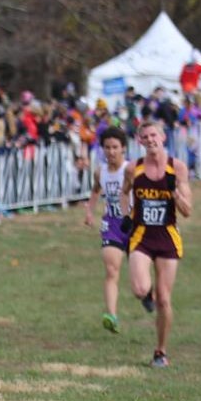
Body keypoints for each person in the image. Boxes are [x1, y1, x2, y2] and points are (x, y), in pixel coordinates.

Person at [120, 120, 192, 368]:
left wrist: (175, 194)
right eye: (145, 137)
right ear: (139, 141)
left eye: (154, 135)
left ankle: (160, 351)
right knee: (140, 289)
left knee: (164, 299)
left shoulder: (178, 168)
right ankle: (146, 293)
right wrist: (126, 214)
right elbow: (124, 191)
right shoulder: (133, 168)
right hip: (141, 236)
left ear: (163, 137)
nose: (150, 140)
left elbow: (187, 211)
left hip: (168, 237)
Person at [82, 127, 130, 334]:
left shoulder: (131, 170)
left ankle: (148, 295)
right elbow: (95, 190)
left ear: (123, 149)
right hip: (112, 224)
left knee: (141, 279)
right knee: (111, 270)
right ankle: (111, 315)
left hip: (134, 224)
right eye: (107, 148)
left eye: (115, 147)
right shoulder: (100, 171)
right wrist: (90, 212)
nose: (111, 152)